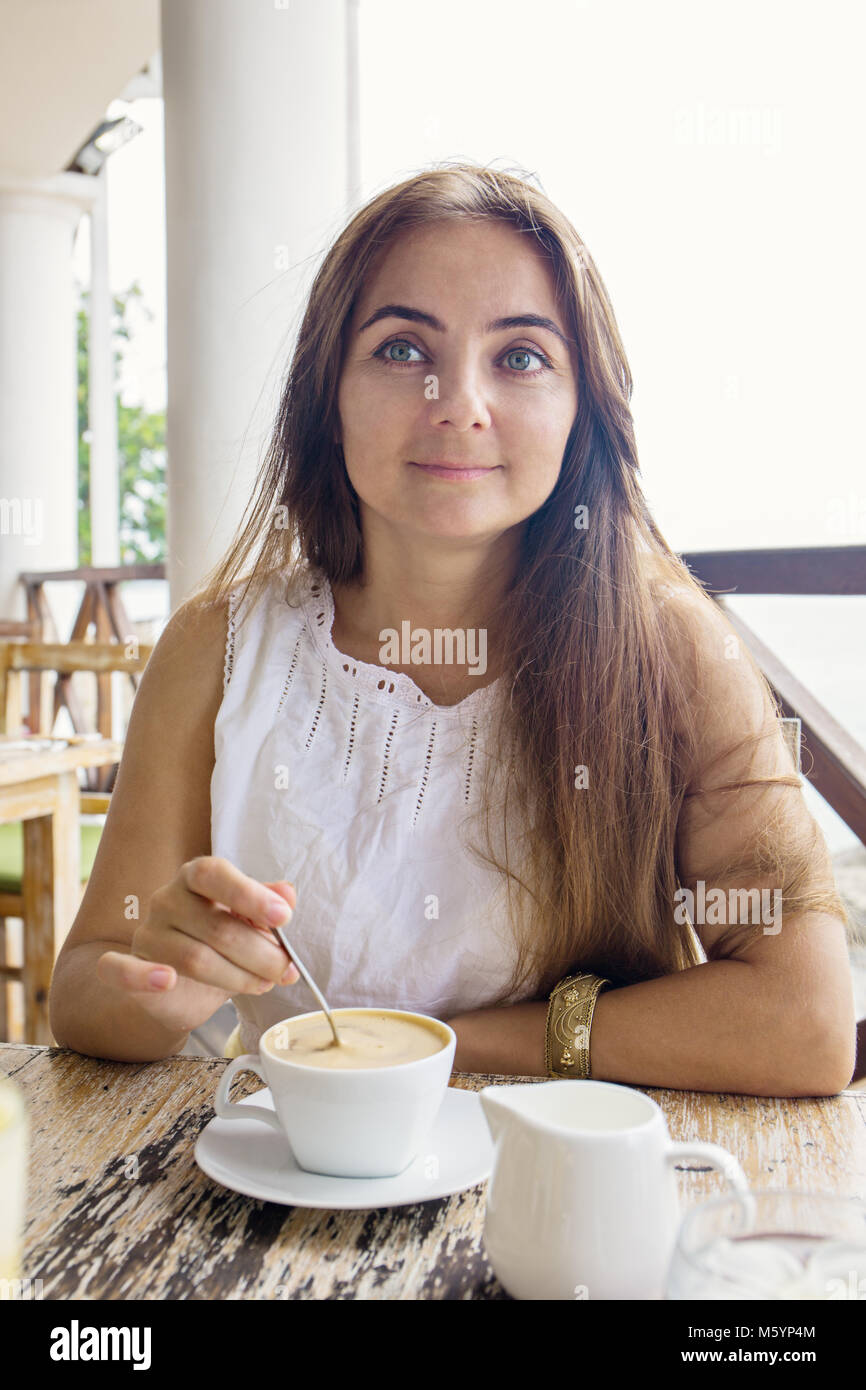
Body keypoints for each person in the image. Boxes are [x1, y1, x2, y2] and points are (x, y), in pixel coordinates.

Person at [50, 163, 856, 1095]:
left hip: (564, 1204)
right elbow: (84, 991)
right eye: (401, 349)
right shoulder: (219, 648)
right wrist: (160, 984)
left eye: (520, 357)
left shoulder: (674, 652)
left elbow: (804, 1024)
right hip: (291, 1195)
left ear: (580, 409)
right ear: (329, 393)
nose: (458, 402)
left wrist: (436, 1047)